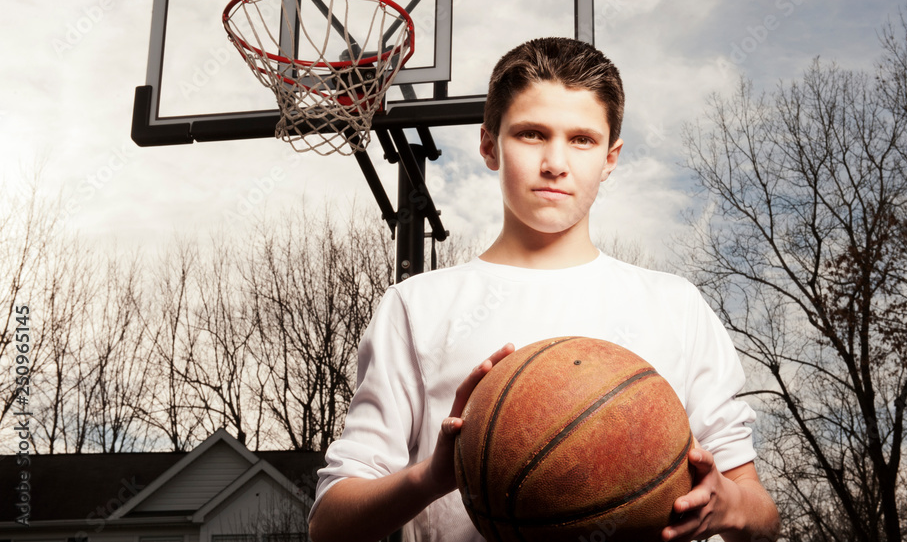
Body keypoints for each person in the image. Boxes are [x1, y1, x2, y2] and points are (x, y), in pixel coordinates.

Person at [308, 37, 780, 542]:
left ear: (611, 157)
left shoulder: (675, 305)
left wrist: (728, 504)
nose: (556, 162)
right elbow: (329, 523)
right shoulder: (417, 306)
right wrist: (434, 477)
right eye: (532, 134)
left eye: (582, 139)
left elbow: (760, 512)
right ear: (489, 145)